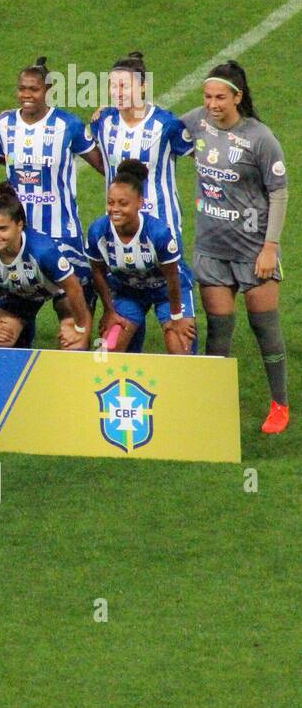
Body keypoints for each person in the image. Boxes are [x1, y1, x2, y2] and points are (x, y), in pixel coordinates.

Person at [182, 62, 289, 433]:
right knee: (219, 333)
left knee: (266, 330)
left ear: (238, 97)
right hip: (211, 250)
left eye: (220, 97)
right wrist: (114, 112)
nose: (212, 104)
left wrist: (270, 247)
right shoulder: (197, 122)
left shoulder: (260, 138)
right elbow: (157, 127)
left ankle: (279, 405)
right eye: (208, 97)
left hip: (252, 250)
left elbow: (279, 193)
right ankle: (214, 408)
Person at [0, 56, 105, 295]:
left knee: (70, 298)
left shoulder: (68, 125)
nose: (26, 95)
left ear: (47, 90)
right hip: (19, 229)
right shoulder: (5, 125)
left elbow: (102, 166)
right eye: (22, 89)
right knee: (20, 293)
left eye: (33, 89)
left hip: (61, 230)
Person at [0, 183, 92, 350]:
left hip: (66, 288)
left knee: (73, 345)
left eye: (2, 229)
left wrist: (80, 328)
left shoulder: (42, 252)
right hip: (23, 290)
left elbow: (74, 289)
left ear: (19, 225)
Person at [87, 160, 195, 356]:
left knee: (180, 346)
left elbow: (172, 278)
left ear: (140, 203)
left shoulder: (158, 234)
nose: (115, 209)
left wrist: (177, 316)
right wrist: (109, 311)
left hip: (166, 291)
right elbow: (98, 272)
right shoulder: (98, 232)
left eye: (123, 203)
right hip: (129, 291)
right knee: (107, 350)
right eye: (111, 203)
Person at [88, 50, 194, 236]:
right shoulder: (102, 122)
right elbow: (103, 164)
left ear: (143, 86)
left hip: (161, 222)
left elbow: (200, 157)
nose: (118, 93)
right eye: (113, 86)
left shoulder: (166, 124)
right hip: (118, 225)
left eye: (125, 86)